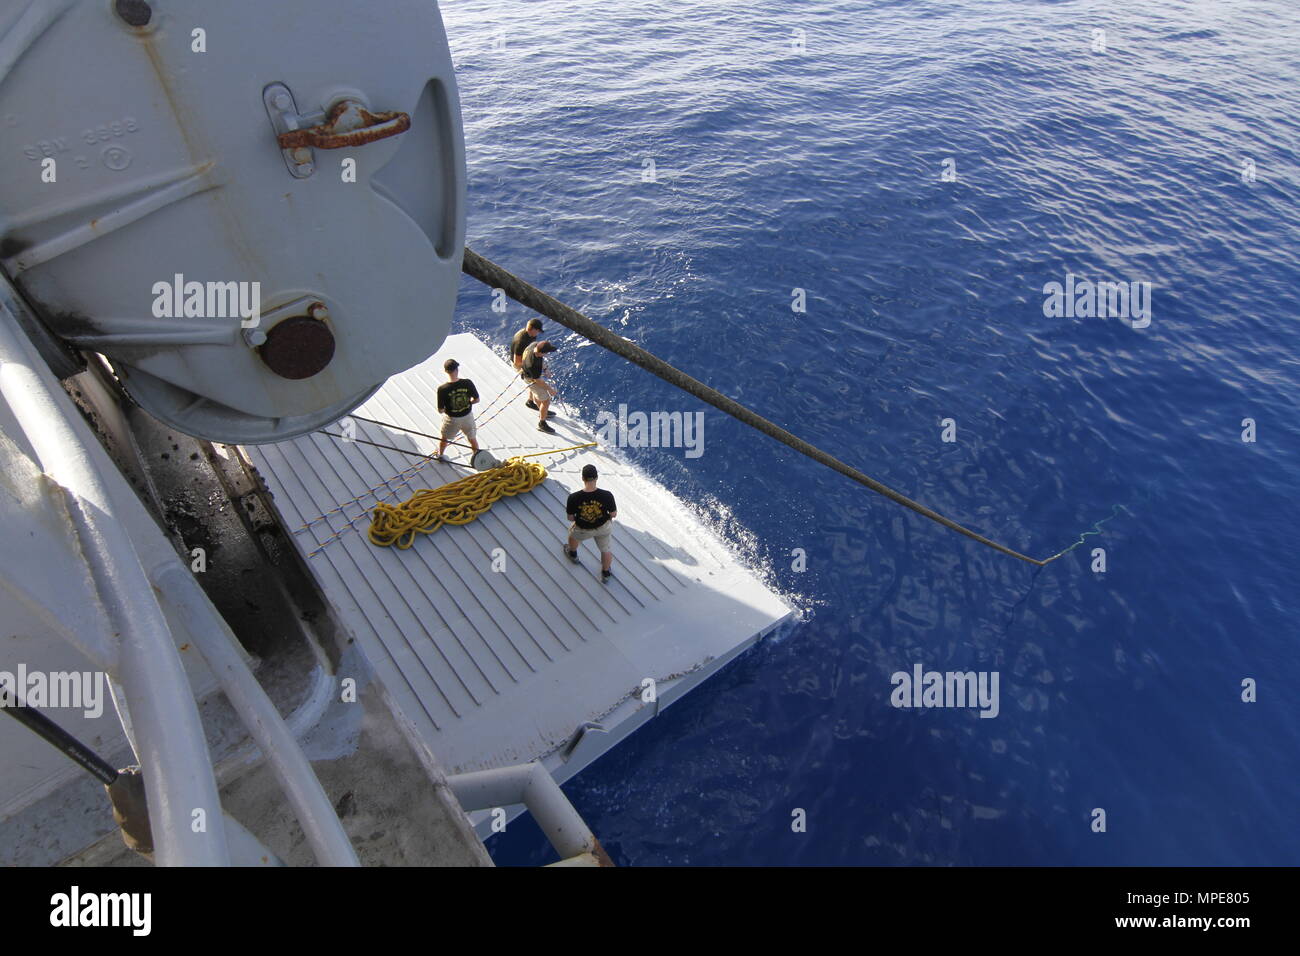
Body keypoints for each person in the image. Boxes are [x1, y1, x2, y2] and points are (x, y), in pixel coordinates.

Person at [564, 463, 617, 583]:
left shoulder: (573, 498)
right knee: (606, 550)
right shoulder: (607, 495)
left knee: (573, 535)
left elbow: (570, 518)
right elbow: (613, 514)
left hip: (583, 529)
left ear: (582, 478)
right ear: (596, 478)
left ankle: (573, 554)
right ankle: (606, 572)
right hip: (603, 528)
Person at [435, 358, 479, 458]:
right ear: (457, 369)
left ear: (446, 371)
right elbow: (477, 400)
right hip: (468, 417)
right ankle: (476, 458)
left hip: (452, 419)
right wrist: (468, 403)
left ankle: (440, 455)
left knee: (444, 438)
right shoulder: (467, 383)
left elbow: (441, 410)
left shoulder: (442, 389)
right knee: (472, 439)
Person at [511, 318, 552, 414]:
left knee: (533, 384)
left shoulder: (531, 336)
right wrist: (529, 368)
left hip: (526, 361)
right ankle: (542, 413)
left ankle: (530, 401)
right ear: (531, 329)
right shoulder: (520, 341)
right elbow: (517, 362)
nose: (538, 333)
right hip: (521, 365)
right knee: (535, 385)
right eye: (537, 331)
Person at [519, 339, 558, 433]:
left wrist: (545, 369)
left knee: (537, 395)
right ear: (541, 352)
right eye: (546, 353)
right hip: (531, 379)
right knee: (546, 400)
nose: (547, 354)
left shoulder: (534, 345)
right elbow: (538, 381)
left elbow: (537, 357)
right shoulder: (532, 364)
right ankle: (542, 423)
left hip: (527, 373)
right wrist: (550, 390)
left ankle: (541, 410)